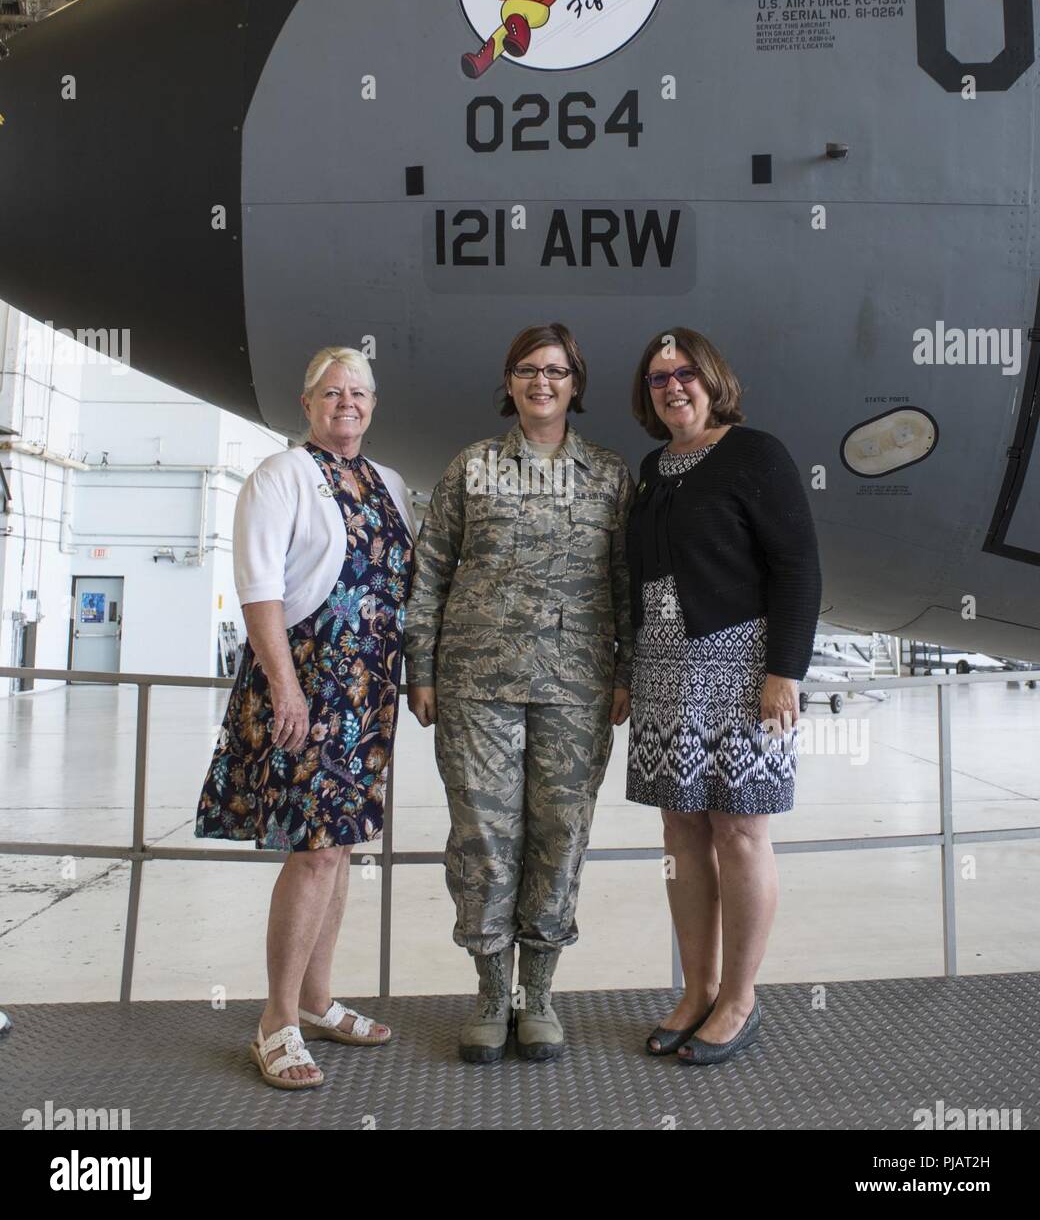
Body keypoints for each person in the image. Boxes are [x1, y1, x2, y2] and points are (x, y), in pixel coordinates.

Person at [405, 324, 632, 1062]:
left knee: (560, 837)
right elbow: (431, 569)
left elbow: (625, 584)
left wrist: (626, 672)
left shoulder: (608, 475)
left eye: (557, 371)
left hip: (576, 687)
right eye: (529, 370)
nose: (543, 382)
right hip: (477, 685)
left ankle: (539, 995)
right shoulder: (471, 468)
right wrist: (422, 668)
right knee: (483, 840)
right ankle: (489, 992)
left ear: (576, 385)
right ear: (509, 382)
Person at [195, 346, 416, 1090]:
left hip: (368, 694)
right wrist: (286, 689)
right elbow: (258, 589)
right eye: (331, 392)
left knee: (343, 844)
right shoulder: (280, 475)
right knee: (314, 851)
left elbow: (397, 591)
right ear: (307, 404)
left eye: (358, 392)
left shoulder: (388, 484)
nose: (345, 402)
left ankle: (318, 1001)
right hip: (308, 691)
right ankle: (276, 1021)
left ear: (373, 406)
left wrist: (410, 679)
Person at [626, 328, 821, 1066]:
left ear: (712, 379)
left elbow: (799, 566)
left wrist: (785, 670)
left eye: (684, 374)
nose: (672, 387)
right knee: (681, 834)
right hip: (664, 669)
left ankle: (739, 999)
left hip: (742, 668)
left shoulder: (755, 454)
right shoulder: (653, 468)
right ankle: (695, 989)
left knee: (740, 832)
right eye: (657, 379)